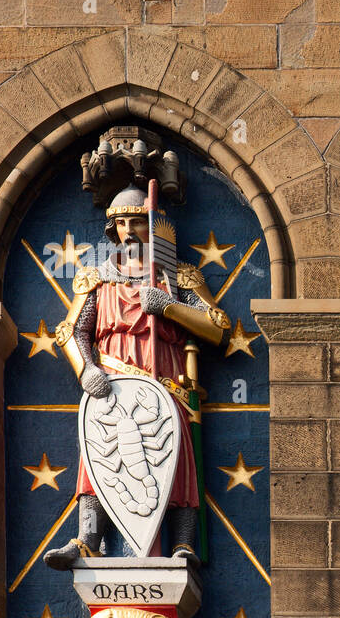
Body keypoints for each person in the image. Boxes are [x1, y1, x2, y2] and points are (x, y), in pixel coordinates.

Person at [44, 186, 230, 569]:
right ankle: (87, 539)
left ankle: (183, 543)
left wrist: (171, 307)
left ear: (153, 227)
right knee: (96, 458)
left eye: (137, 222)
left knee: (177, 462)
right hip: (111, 385)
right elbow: (71, 332)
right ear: (113, 230)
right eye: (122, 223)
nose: (129, 231)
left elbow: (218, 326)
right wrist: (86, 370)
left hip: (165, 387)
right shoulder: (96, 279)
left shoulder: (179, 278)